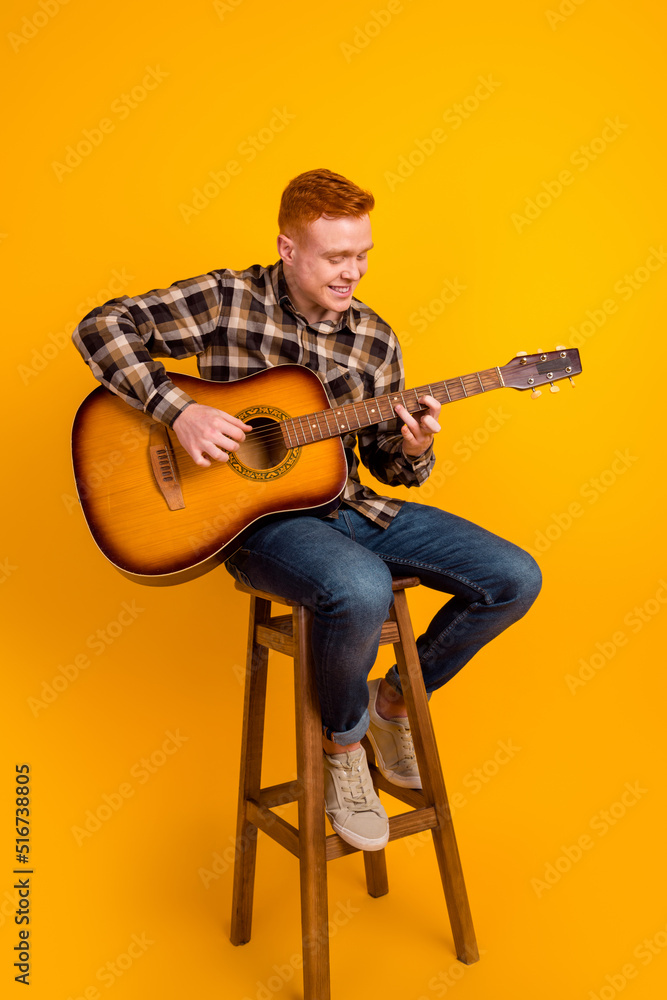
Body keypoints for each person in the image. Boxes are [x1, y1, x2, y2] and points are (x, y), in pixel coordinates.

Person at [72, 168, 541, 853]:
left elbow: (387, 466)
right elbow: (102, 326)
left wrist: (411, 446)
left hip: (348, 508)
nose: (352, 272)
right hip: (256, 526)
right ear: (288, 249)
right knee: (357, 587)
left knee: (513, 576)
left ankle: (394, 705)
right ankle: (342, 746)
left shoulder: (374, 339)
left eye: (362, 254)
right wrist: (180, 412)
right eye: (335, 257)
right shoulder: (229, 298)